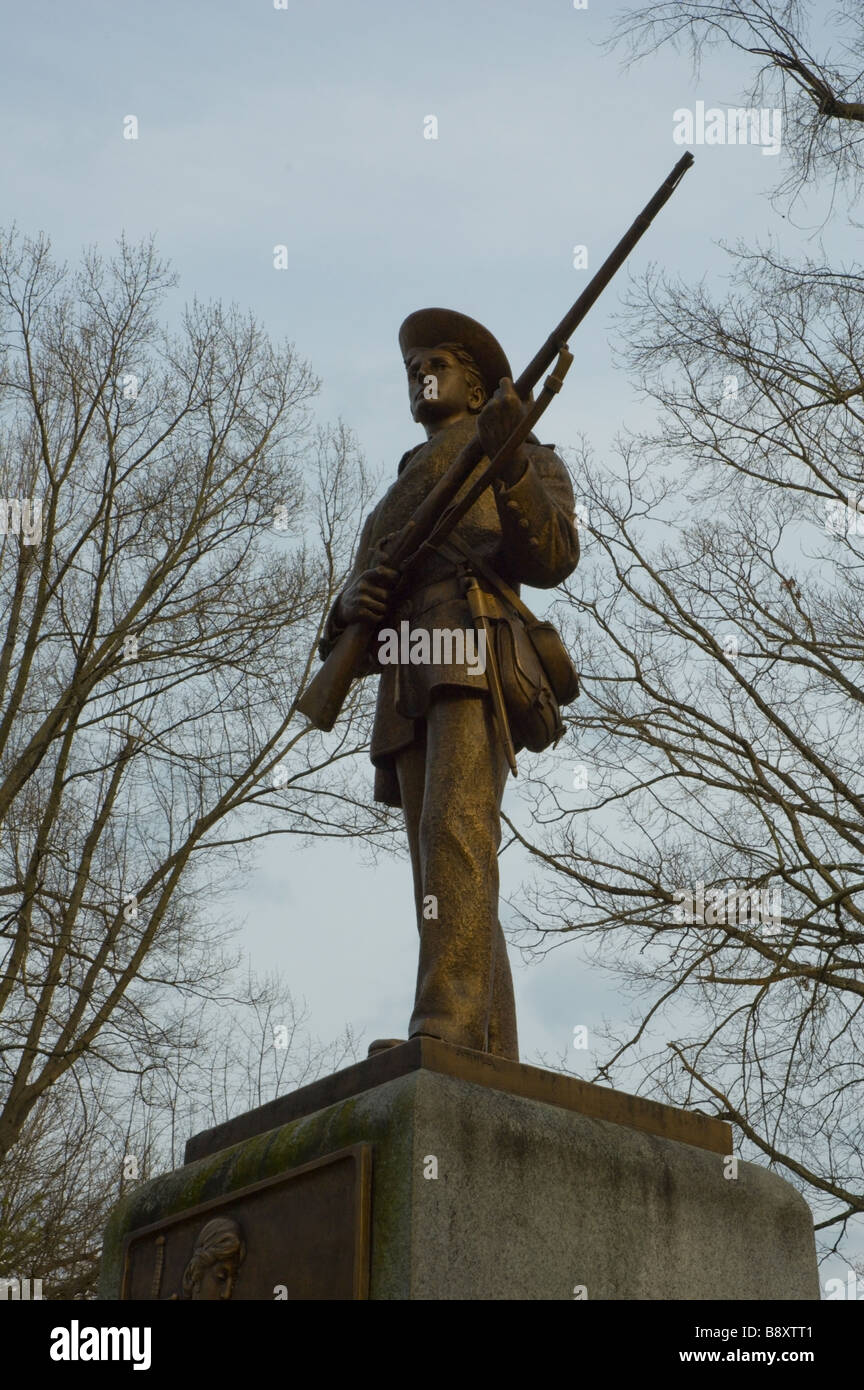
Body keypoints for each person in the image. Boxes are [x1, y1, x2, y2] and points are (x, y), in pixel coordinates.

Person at [320, 309, 579, 1060]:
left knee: (454, 835)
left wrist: (511, 464)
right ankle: (483, 1046)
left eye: (435, 364)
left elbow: (555, 553)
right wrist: (348, 605)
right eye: (410, 369)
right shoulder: (404, 481)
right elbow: (344, 615)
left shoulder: (519, 449)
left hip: (469, 649)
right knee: (442, 858)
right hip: (407, 666)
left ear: (475, 387)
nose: (419, 377)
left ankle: (447, 1026)